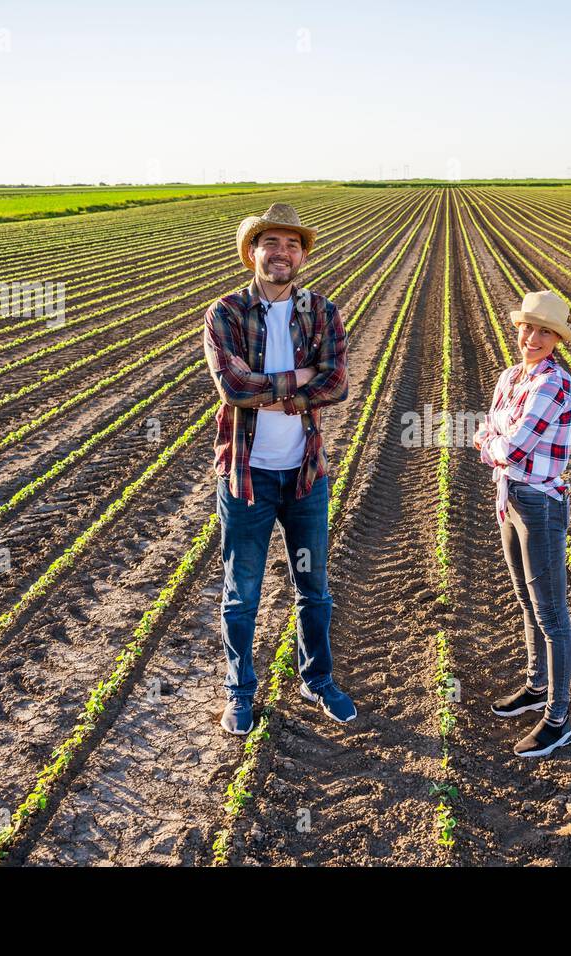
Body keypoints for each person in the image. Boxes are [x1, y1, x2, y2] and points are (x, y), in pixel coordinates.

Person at [202, 201, 355, 735]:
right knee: (242, 592)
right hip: (246, 475)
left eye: (292, 244)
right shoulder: (224, 313)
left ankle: (318, 680)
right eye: (272, 243)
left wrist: (270, 387)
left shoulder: (322, 312)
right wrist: (299, 380)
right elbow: (232, 387)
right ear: (252, 252)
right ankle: (240, 692)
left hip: (305, 475)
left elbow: (335, 383)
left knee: (313, 586)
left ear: (302, 255)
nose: (282, 253)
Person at [473, 290, 571, 758]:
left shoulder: (553, 383)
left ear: (556, 339)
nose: (531, 337)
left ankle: (558, 719)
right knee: (524, 599)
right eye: (526, 327)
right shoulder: (511, 376)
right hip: (509, 495)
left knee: (552, 613)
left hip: (539, 503)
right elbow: (489, 429)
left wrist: (489, 440)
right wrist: (490, 438)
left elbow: (509, 447)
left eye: (543, 331)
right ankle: (536, 686)